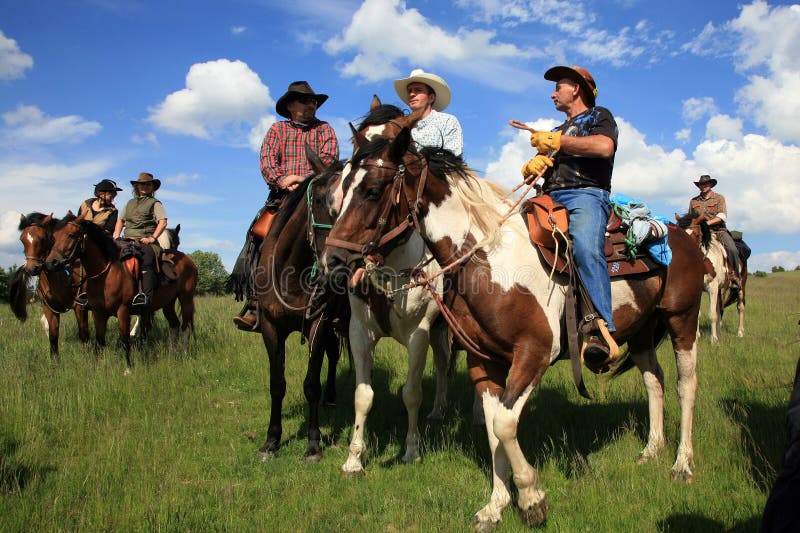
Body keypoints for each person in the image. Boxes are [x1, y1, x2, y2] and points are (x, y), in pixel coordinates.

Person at [512, 65, 618, 366]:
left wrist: (559, 143)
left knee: (584, 246)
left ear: (578, 89)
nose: (553, 92)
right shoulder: (556, 130)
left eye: (559, 86)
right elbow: (545, 161)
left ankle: (599, 329)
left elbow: (604, 147)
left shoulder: (600, 117)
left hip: (586, 194)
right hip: (548, 197)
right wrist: (532, 167)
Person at [233, 81, 339, 331]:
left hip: (317, 196)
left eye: (313, 101)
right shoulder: (276, 130)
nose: (310, 105)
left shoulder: (325, 130)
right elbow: (267, 161)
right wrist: (282, 180)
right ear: (290, 105)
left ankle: (341, 305)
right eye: (304, 101)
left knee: (341, 238)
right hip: (282, 197)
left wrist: (301, 181)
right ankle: (257, 301)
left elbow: (328, 161)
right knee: (257, 236)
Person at [113, 172, 167, 307]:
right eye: (141, 184)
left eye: (148, 184)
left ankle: (145, 297)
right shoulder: (129, 203)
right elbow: (120, 220)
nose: (144, 187)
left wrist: (152, 238)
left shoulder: (155, 203)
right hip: (126, 239)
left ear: (152, 187)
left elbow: (163, 222)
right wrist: (116, 235)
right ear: (137, 186)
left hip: (145, 240)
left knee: (146, 259)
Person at [393, 69, 463, 157]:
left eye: (418, 90)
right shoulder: (401, 127)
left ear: (431, 98)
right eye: (409, 91)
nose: (411, 94)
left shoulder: (447, 121)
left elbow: (453, 155)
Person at [689, 174, 742, 284]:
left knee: (732, 249)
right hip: (700, 232)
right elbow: (690, 218)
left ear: (711, 184)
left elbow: (722, 216)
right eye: (701, 184)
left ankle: (734, 275)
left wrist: (706, 224)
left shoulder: (719, 198)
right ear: (699, 186)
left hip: (718, 231)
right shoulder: (693, 201)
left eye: (706, 184)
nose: (703, 186)